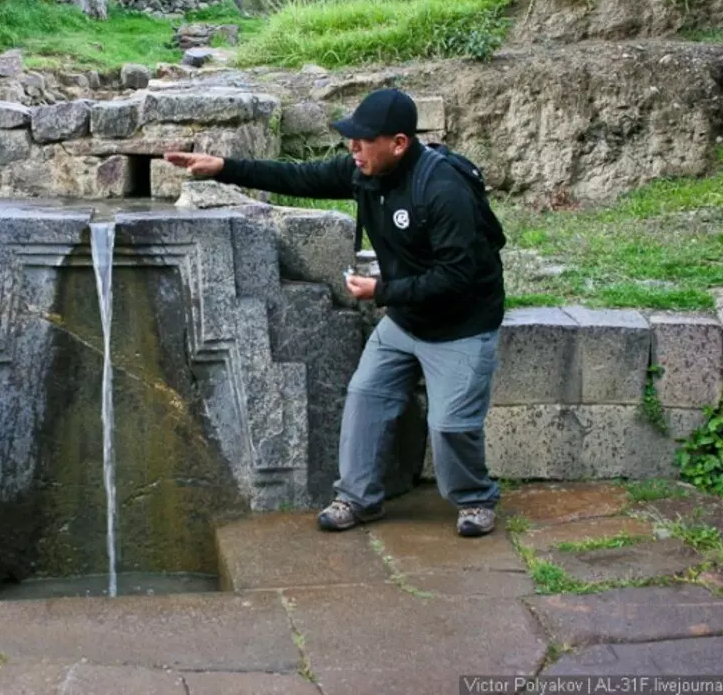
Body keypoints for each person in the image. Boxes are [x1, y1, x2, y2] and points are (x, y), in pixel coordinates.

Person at [164, 88, 507, 538]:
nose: (353, 148)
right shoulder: (364, 172)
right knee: (365, 400)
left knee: (448, 426)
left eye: (364, 140)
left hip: (461, 326)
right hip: (406, 319)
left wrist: (381, 290)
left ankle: (475, 499)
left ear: (399, 143)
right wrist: (225, 169)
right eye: (353, 139)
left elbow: (458, 277)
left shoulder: (443, 190)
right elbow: (300, 177)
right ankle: (358, 500)